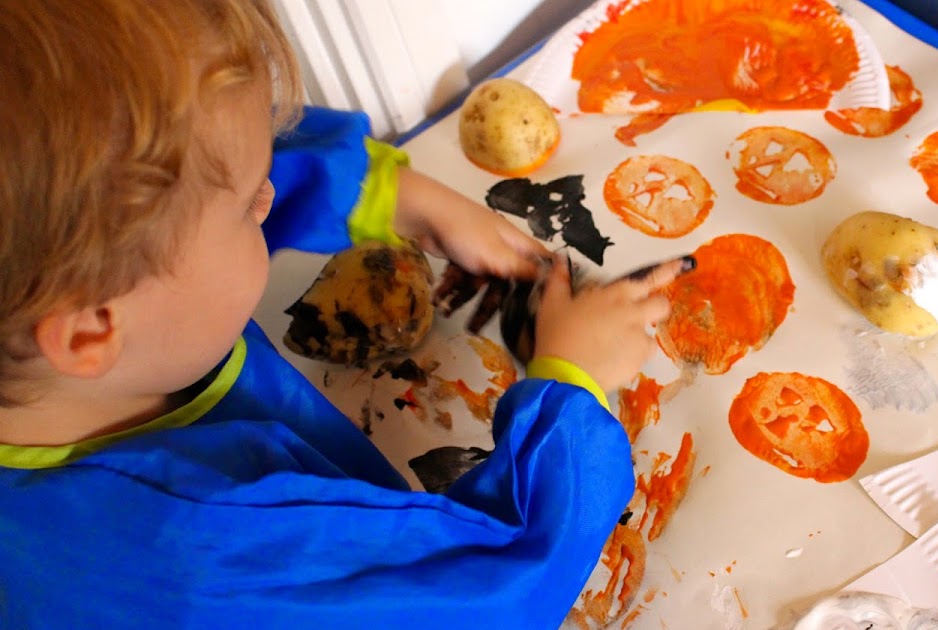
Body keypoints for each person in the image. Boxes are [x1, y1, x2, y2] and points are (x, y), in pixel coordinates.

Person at [0, 1, 691, 627]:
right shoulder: (208, 559)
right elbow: (496, 592)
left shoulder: (76, 322)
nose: (271, 196)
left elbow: (181, 183)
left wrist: (394, 194)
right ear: (90, 328)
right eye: (249, 206)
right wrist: (572, 390)